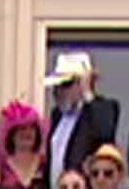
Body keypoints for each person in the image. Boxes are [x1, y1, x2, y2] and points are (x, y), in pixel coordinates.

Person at [43, 51, 121, 180]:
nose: (58, 91)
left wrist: (87, 93)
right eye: (56, 86)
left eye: (65, 85)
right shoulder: (57, 115)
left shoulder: (104, 109)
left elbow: (104, 133)